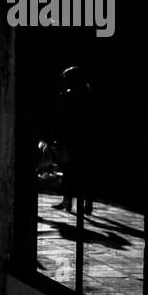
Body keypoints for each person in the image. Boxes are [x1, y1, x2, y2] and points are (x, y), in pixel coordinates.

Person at [53, 65, 95, 216]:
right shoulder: (89, 95)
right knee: (85, 172)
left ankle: (68, 200)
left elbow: (60, 121)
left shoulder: (66, 97)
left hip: (71, 139)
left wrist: (58, 138)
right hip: (86, 139)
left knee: (69, 170)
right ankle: (87, 203)